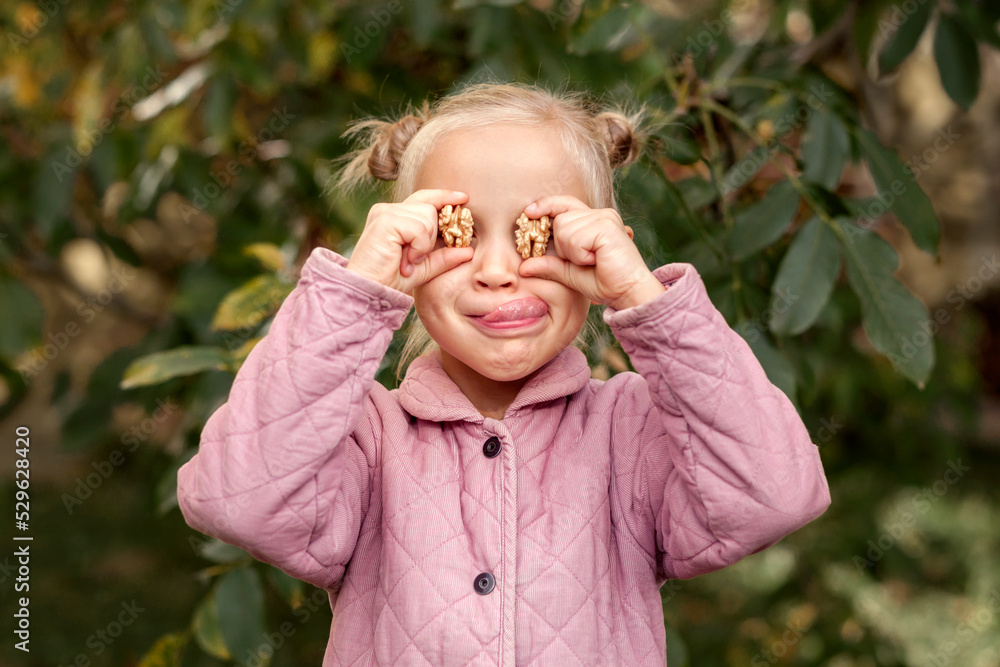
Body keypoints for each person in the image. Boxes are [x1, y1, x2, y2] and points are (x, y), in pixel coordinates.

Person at [177, 82, 831, 666]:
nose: (496, 270)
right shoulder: (367, 438)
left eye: (536, 235)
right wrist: (355, 292)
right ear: (410, 258)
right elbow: (240, 500)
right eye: (460, 237)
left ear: (603, 251)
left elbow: (774, 495)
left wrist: (644, 298)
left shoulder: (631, 430)